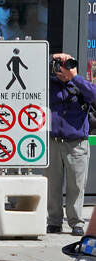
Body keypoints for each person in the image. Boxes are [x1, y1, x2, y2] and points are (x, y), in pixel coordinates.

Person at [47, 52, 96, 235]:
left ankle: (76, 222)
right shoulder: (50, 83)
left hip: (77, 143)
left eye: (67, 63)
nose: (63, 67)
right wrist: (52, 58)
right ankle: (54, 221)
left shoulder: (81, 85)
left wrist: (74, 77)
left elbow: (93, 94)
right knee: (53, 184)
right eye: (61, 64)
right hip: (54, 141)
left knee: (76, 185)